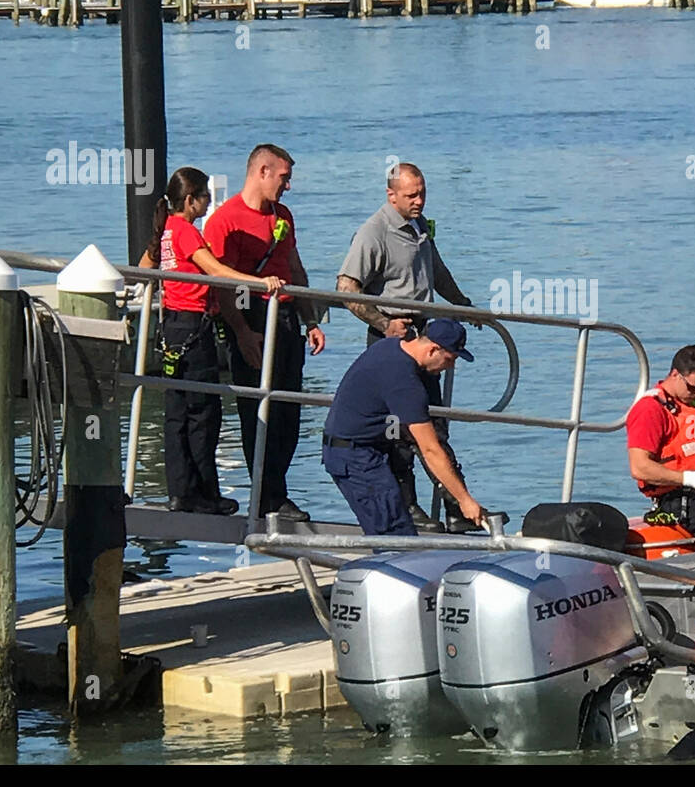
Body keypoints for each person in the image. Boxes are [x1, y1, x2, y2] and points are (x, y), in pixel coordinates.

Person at [337, 162, 476, 533]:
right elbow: (346, 288)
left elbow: (436, 270)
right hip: (393, 338)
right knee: (399, 430)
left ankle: (456, 509)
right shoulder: (374, 231)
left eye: (423, 192)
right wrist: (384, 324)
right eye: (411, 195)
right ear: (391, 195)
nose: (419, 200)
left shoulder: (420, 227)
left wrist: (463, 304)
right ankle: (409, 504)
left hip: (425, 330)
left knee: (432, 423)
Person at [139, 167, 285, 515]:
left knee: (176, 412)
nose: (208, 204)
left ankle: (180, 490)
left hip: (171, 326)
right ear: (190, 200)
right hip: (193, 325)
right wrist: (259, 282)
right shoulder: (186, 231)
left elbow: (144, 266)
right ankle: (204, 493)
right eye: (204, 197)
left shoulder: (163, 232)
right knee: (204, 413)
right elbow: (215, 270)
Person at [204, 144, 326, 522]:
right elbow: (222, 283)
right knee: (257, 409)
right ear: (262, 172)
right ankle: (267, 494)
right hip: (251, 314)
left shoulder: (282, 216)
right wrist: (241, 332)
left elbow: (294, 265)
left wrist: (311, 320)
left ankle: (277, 489)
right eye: (283, 178)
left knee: (289, 408)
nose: (287, 186)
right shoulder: (226, 220)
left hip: (286, 315)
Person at [323, 319, 484, 536]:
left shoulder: (389, 346)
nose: (451, 367)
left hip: (359, 449)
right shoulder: (405, 383)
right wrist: (465, 500)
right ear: (433, 349)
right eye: (450, 358)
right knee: (396, 537)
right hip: (355, 458)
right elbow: (430, 450)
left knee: (398, 529)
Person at [625, 345, 695, 551]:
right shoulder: (650, 410)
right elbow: (639, 467)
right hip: (678, 499)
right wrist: (689, 478)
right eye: (693, 388)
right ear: (675, 375)